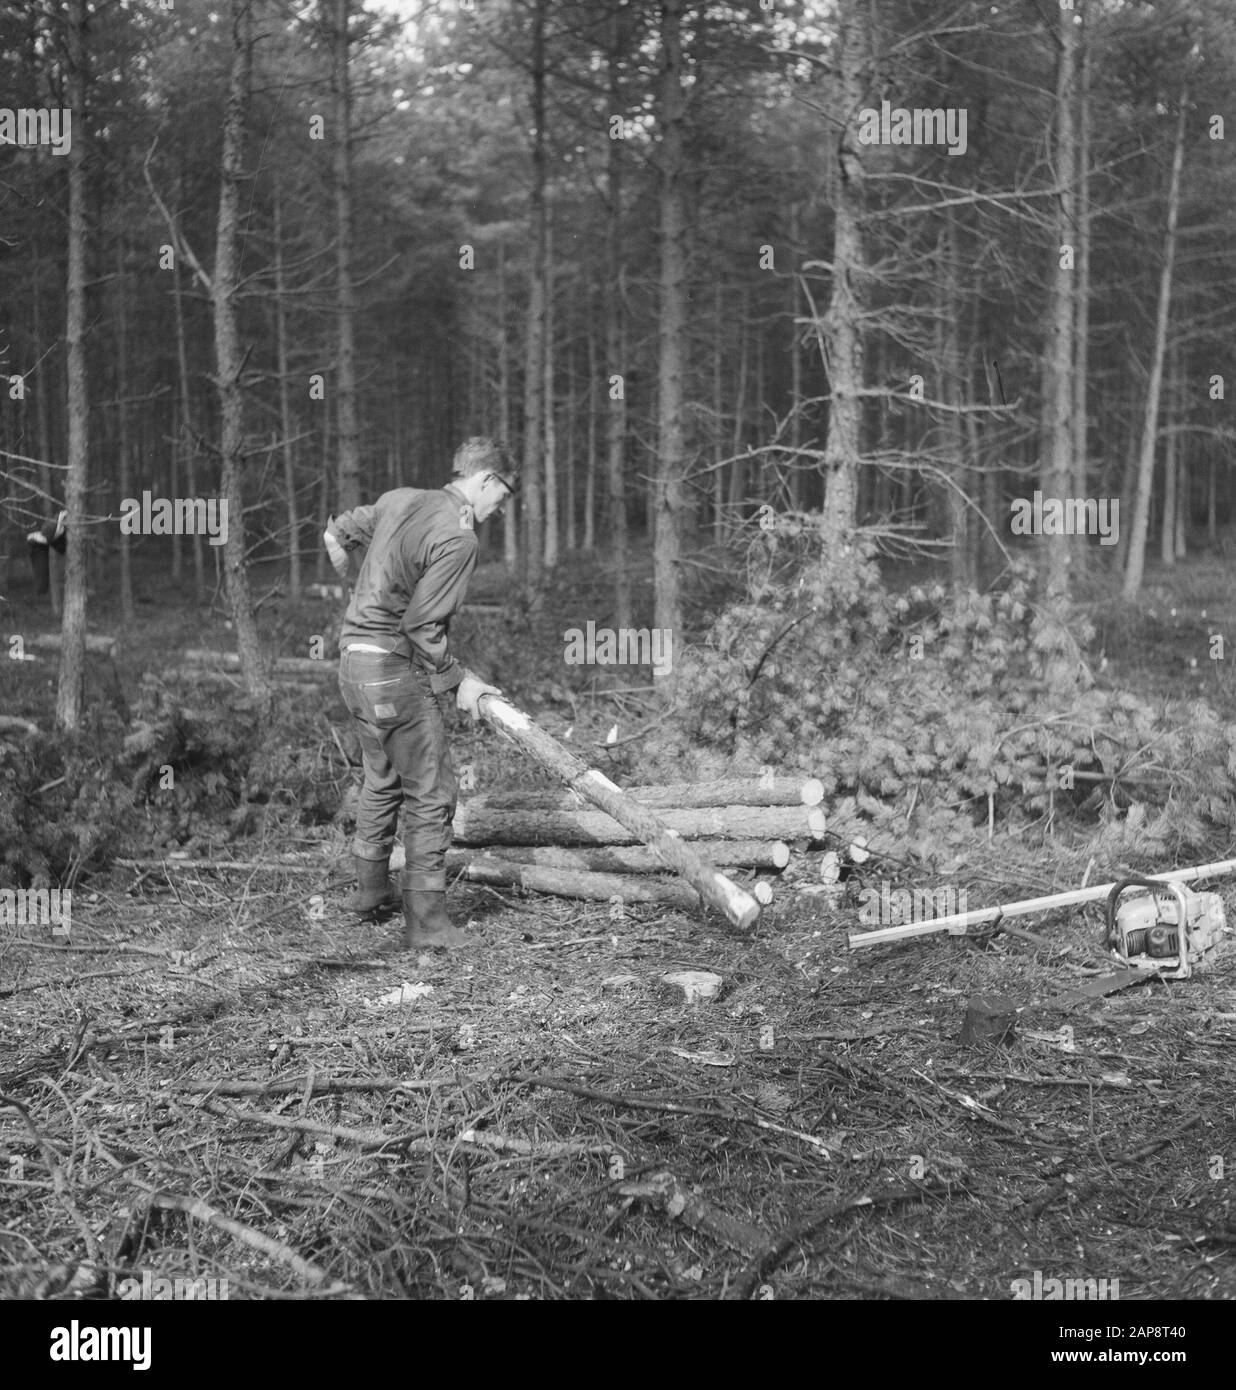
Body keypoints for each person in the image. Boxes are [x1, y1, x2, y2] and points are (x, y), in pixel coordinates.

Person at [325, 437, 516, 951]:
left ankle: (368, 893)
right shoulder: (460, 537)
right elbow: (420, 625)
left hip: (351, 664)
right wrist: (460, 680)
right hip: (392, 669)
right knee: (430, 793)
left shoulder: (397, 499)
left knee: (381, 777)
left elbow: (335, 532)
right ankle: (428, 924)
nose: (501, 509)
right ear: (486, 481)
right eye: (504, 494)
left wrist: (355, 592)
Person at [27, 509, 67, 595]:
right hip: (38, 542)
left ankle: (41, 590)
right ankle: (40, 591)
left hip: (45, 540)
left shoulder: (57, 528)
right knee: (41, 583)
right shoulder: (52, 525)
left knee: (42, 583)